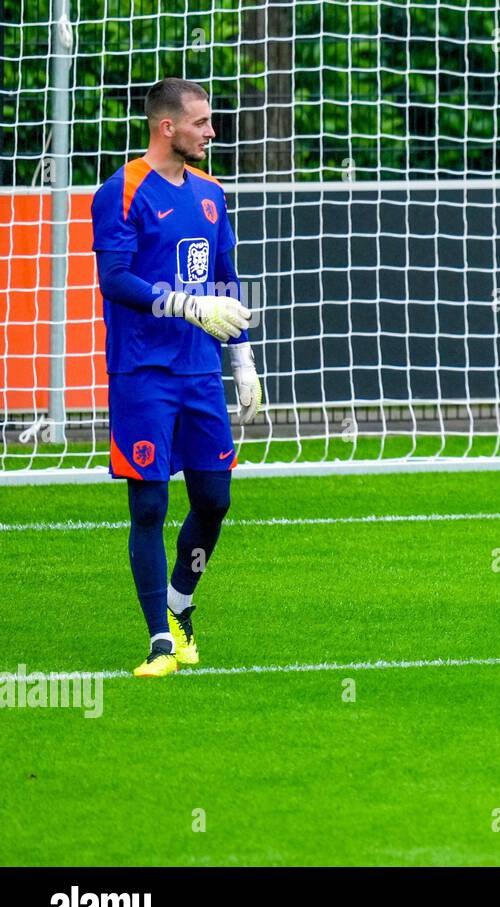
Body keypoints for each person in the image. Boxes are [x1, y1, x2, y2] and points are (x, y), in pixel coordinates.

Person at [90, 77, 262, 678]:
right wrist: (184, 306)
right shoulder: (122, 191)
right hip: (143, 372)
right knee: (150, 506)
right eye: (202, 123)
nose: (212, 132)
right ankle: (160, 641)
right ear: (168, 128)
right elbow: (115, 280)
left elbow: (225, 280)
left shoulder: (212, 194)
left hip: (198, 373)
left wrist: (240, 358)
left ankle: (180, 603)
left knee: (215, 498)